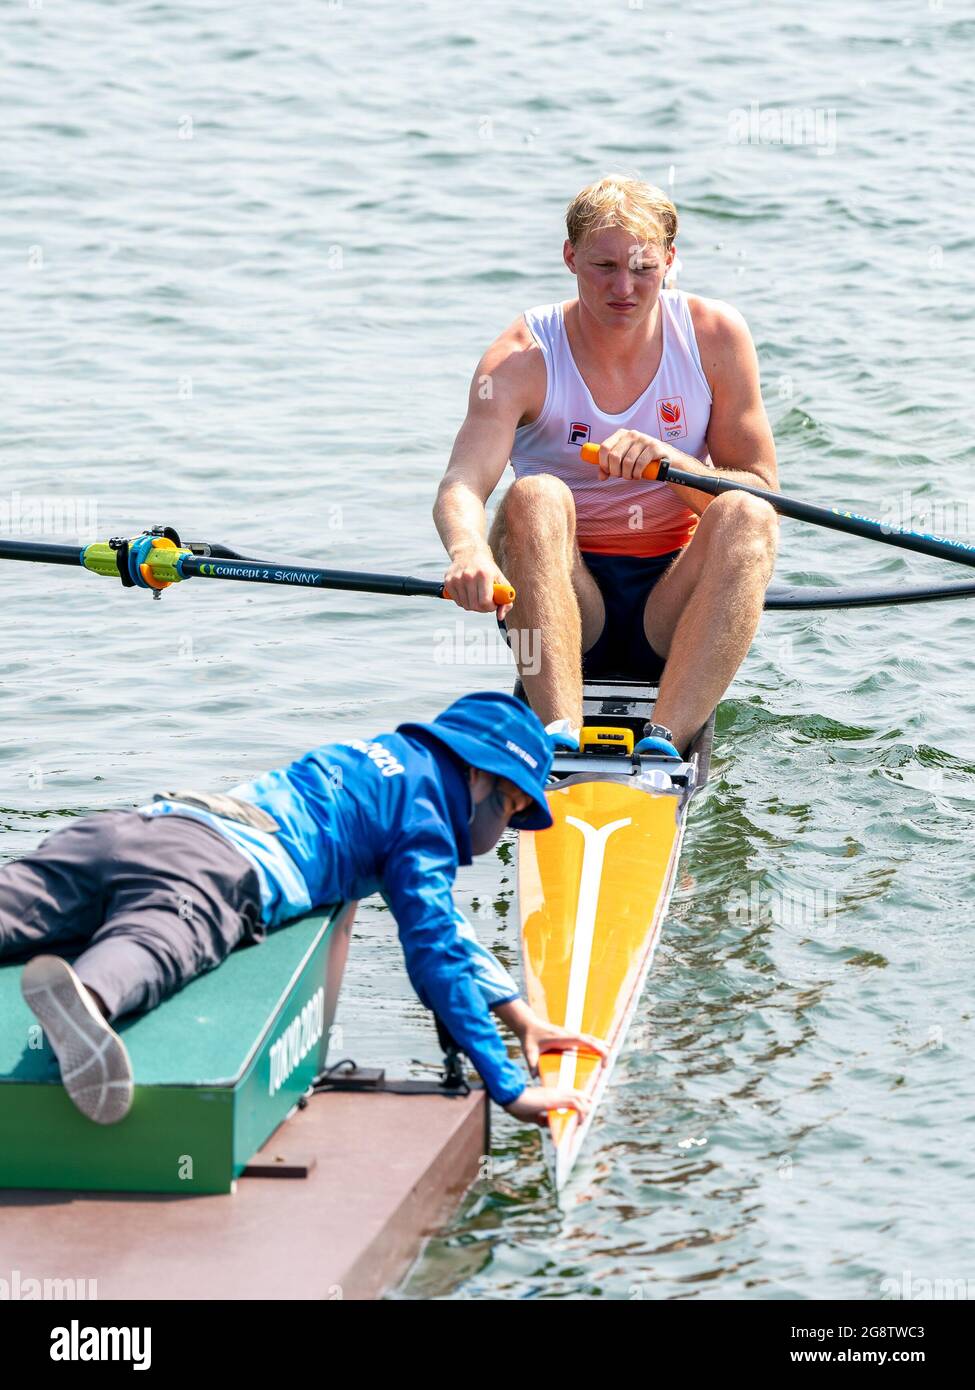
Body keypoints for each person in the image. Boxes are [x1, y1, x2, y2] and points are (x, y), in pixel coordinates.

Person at [1, 691, 602, 1127]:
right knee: (158, 937)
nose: (507, 822)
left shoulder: (380, 757)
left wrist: (521, 1018)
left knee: (21, 900)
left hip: (142, 824)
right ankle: (90, 997)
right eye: (512, 804)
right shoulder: (424, 822)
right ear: (477, 776)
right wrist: (507, 1086)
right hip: (213, 873)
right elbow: (436, 957)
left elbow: (445, 928)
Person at [434, 174, 779, 757]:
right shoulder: (521, 357)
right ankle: (559, 738)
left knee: (748, 513)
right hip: (563, 594)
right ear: (570, 257)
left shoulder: (714, 336)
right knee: (536, 494)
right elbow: (462, 483)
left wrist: (676, 466)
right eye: (604, 266)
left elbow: (764, 491)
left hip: (674, 604)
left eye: (643, 268)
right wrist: (468, 552)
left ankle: (665, 742)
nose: (625, 287)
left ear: (671, 261)